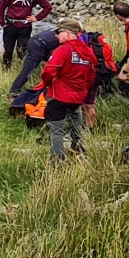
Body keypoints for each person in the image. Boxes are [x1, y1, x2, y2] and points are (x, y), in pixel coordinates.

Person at [36, 20, 97, 163]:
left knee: (56, 129)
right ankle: (79, 150)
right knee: (76, 124)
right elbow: (91, 77)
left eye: (59, 33)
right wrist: (82, 90)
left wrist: (47, 83)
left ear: (68, 34)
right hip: (77, 96)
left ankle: (58, 161)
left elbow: (49, 70)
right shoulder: (89, 52)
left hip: (59, 95)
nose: (57, 36)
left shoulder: (62, 50)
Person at [0, 0, 53, 69]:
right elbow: (1, 7)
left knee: (23, 50)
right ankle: (6, 68)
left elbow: (48, 7)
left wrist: (37, 18)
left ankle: (21, 69)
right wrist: (2, 23)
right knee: (8, 50)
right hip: (10, 26)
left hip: (25, 27)